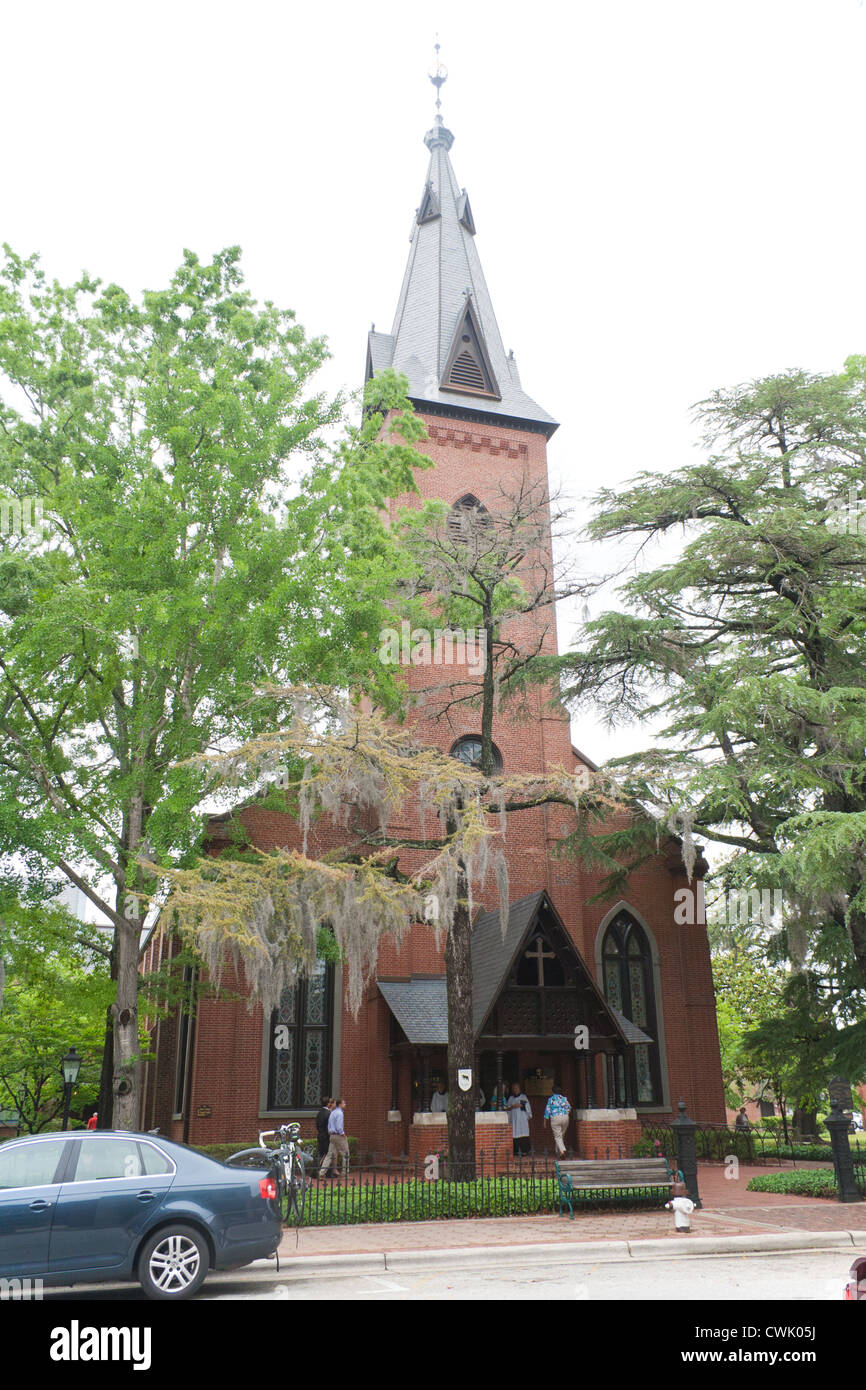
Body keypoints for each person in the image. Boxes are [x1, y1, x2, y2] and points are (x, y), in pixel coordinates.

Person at [318, 1097, 349, 1179]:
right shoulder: (340, 1113)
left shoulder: (332, 1112)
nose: (345, 1105)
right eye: (344, 1103)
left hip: (332, 1136)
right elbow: (339, 1127)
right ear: (340, 1104)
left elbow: (329, 1125)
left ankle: (321, 1173)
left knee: (329, 1155)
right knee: (346, 1154)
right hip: (338, 1135)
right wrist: (343, 1134)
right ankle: (345, 1174)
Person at [506, 1081, 532, 1156]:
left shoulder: (523, 1097)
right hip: (513, 1119)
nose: (515, 1089)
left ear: (519, 1089)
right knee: (514, 1134)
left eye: (516, 1088)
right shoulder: (511, 1098)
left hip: (522, 1119)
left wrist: (521, 1105)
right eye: (514, 1088)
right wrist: (512, 1107)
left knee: (523, 1133)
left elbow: (527, 1107)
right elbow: (507, 1108)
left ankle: (524, 1151)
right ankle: (516, 1151)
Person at [543, 1085, 571, 1156]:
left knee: (558, 1136)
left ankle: (562, 1150)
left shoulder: (551, 1099)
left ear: (553, 1092)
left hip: (555, 1117)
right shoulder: (564, 1098)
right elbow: (569, 1107)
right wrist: (566, 1114)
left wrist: (545, 1121)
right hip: (565, 1117)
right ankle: (557, 1151)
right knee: (561, 1135)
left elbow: (547, 1111)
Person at [315, 1097, 334, 1162]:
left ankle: (320, 1165)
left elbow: (317, 1124)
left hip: (320, 1135)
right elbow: (329, 1126)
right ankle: (321, 1166)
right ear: (328, 1103)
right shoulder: (328, 1113)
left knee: (322, 1153)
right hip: (326, 1136)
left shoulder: (319, 1113)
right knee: (327, 1154)